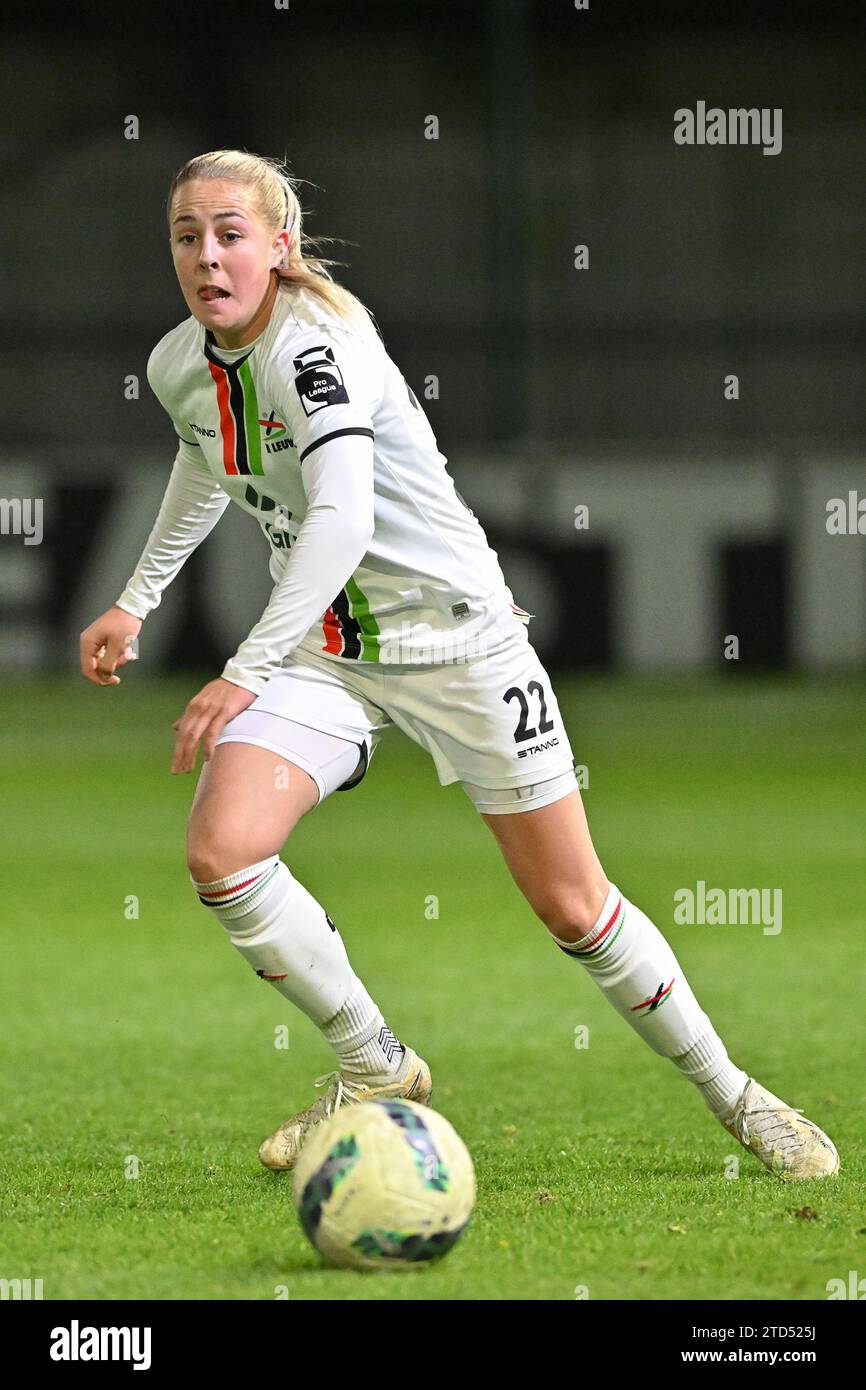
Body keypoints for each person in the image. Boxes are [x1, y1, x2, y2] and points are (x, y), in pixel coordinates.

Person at [80, 148, 838, 1182]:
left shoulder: (318, 349)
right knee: (223, 850)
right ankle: (374, 1065)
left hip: (455, 639)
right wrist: (137, 596)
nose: (205, 255)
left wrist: (241, 669)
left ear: (279, 245)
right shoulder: (181, 361)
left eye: (228, 232)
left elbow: (341, 517)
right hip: (331, 651)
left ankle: (736, 1095)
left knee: (573, 905)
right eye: (185, 235)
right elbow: (205, 451)